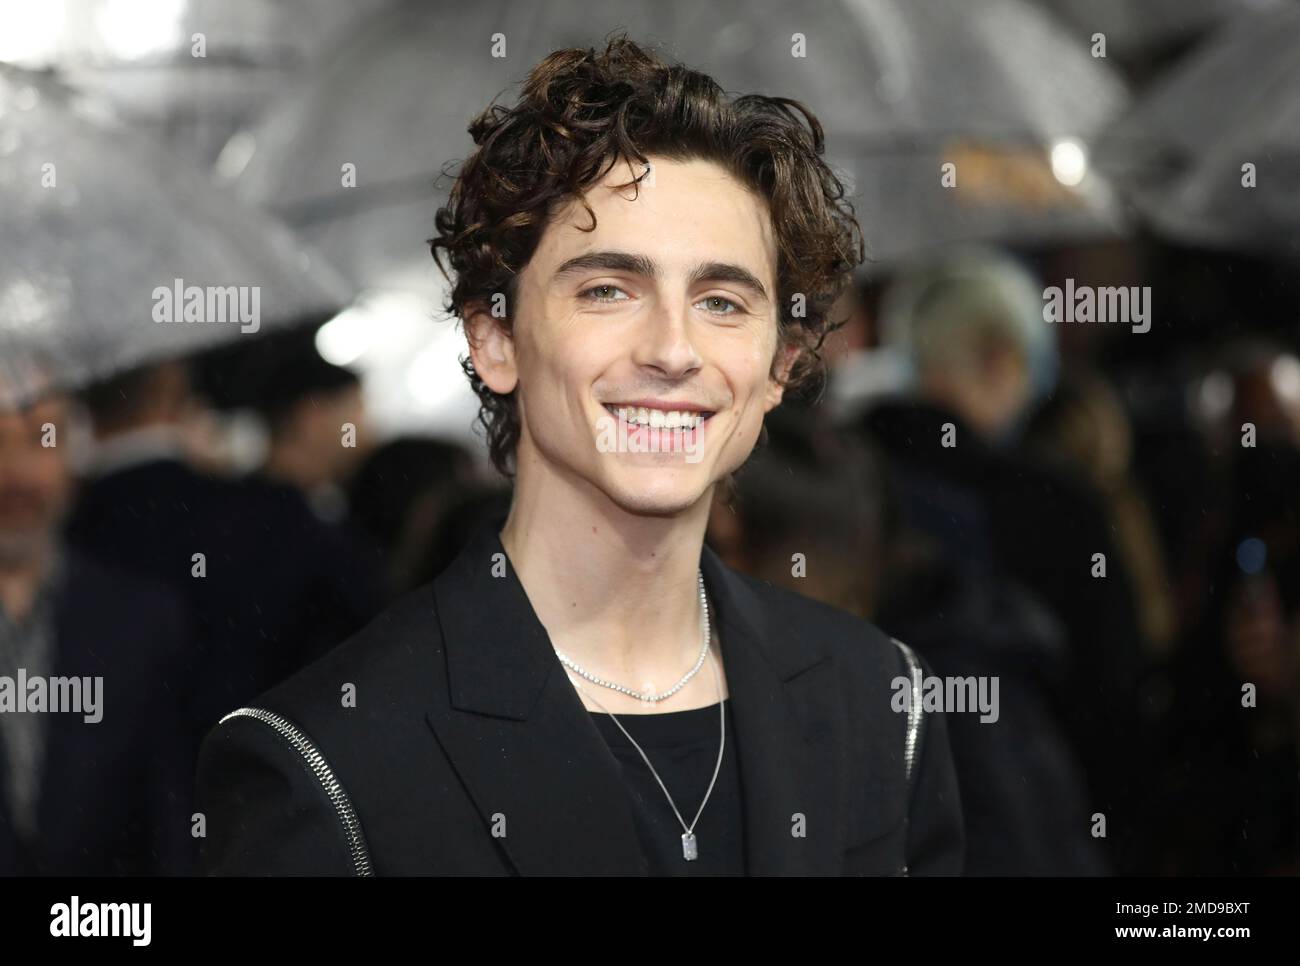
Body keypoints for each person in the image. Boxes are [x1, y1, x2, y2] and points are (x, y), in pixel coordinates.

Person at [195, 33, 964, 876]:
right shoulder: (326, 765)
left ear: (781, 364)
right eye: (607, 289)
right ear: (494, 339)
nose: (674, 349)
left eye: (721, 300)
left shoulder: (882, 705)